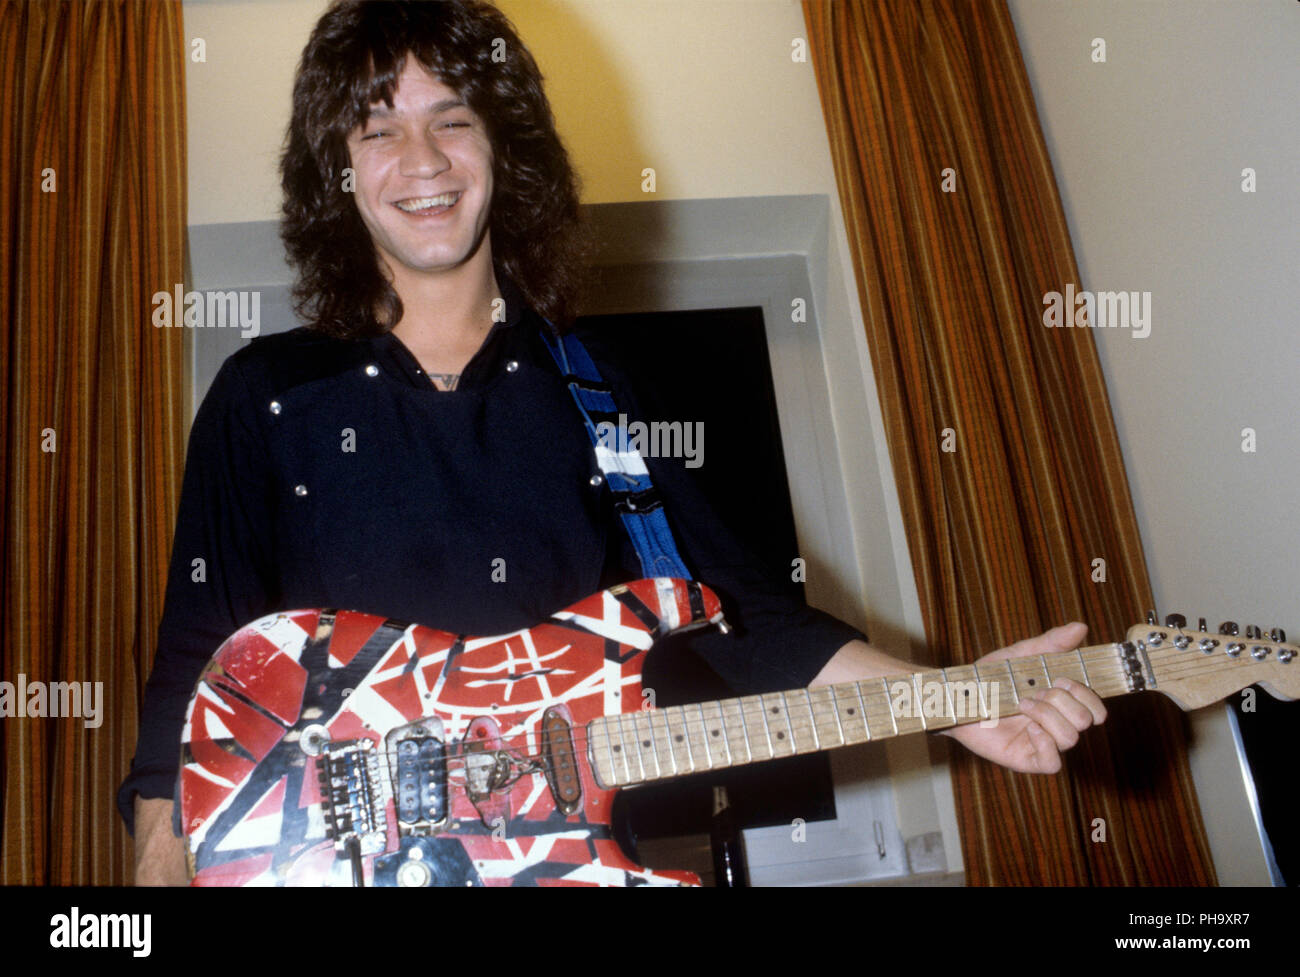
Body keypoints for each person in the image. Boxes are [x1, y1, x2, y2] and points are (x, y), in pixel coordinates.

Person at [121, 0, 1106, 885]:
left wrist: (959, 700)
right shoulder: (268, 394)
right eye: (378, 129)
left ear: (505, 151)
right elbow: (193, 670)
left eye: (452, 119)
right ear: (338, 171)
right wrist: (161, 875)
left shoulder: (591, 389)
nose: (421, 160)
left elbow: (746, 616)